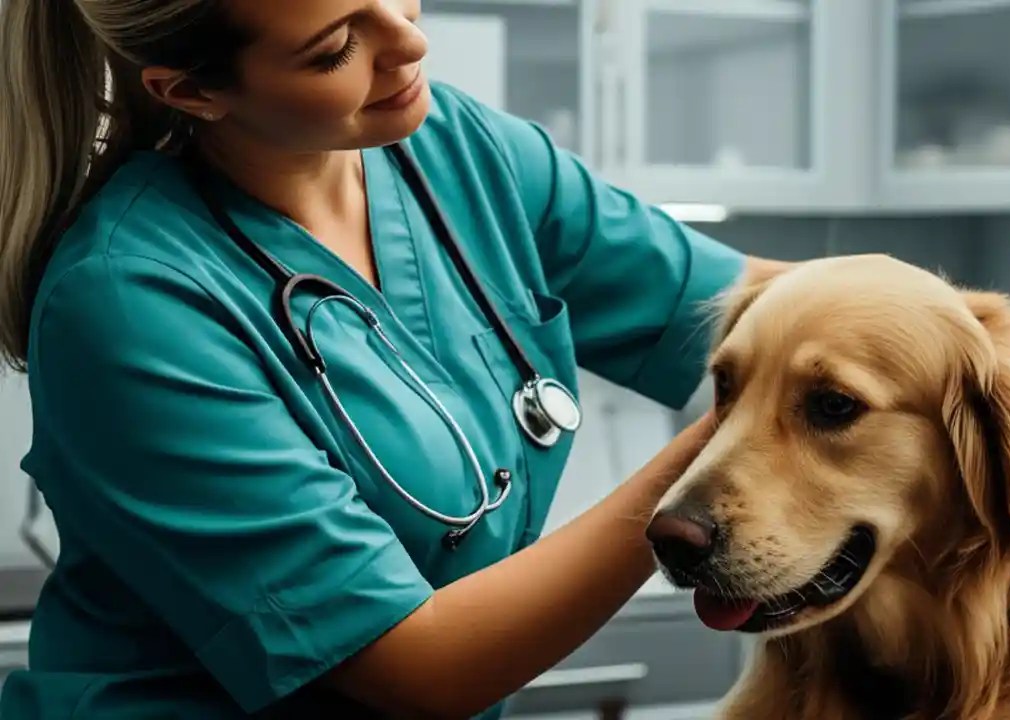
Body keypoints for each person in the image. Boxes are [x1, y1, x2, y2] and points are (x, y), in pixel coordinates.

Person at [0, 1, 792, 718]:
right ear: (191, 92)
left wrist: (900, 323)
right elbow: (420, 669)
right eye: (337, 46)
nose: (410, 41)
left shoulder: (458, 151)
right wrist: (735, 448)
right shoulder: (129, 302)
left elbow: (752, 303)